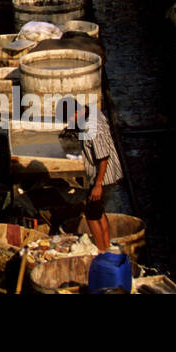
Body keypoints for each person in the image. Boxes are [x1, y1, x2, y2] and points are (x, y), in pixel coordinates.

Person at [65, 102, 124, 252]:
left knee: (91, 215)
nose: (70, 122)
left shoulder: (92, 129)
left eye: (70, 118)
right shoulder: (92, 112)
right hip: (107, 175)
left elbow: (103, 157)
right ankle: (107, 246)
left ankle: (102, 250)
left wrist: (98, 185)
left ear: (76, 113)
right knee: (99, 211)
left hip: (104, 178)